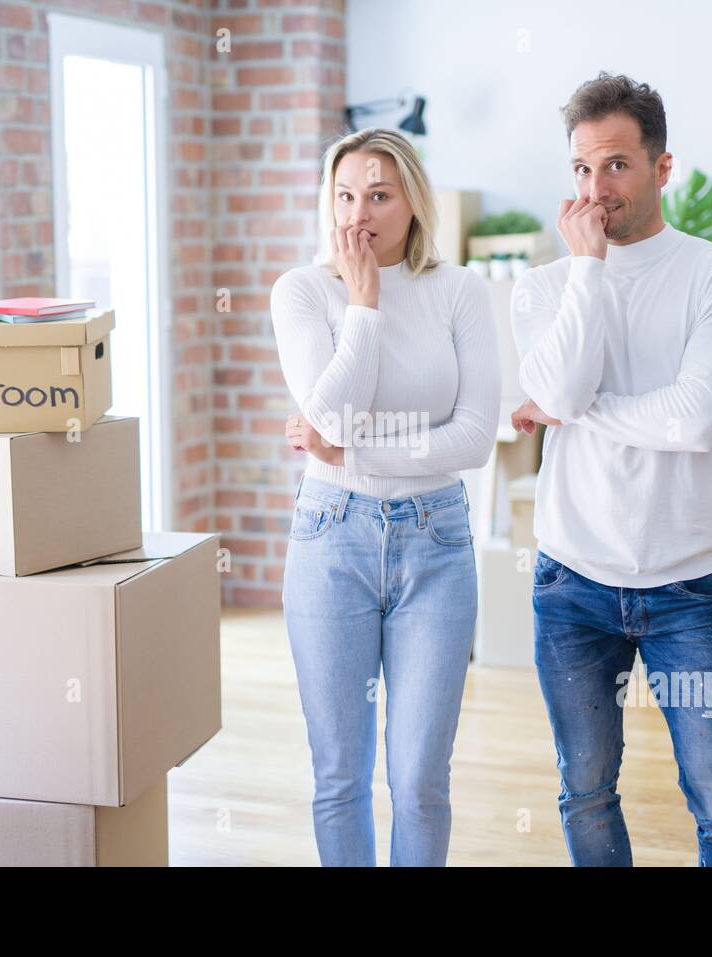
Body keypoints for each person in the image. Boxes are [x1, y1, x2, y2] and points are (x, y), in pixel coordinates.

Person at [511, 72, 712, 866]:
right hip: (573, 583)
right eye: (582, 169)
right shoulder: (546, 286)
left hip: (688, 585)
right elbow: (552, 388)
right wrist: (587, 270)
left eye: (616, 165)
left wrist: (580, 413)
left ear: (662, 168)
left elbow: (693, 421)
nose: (597, 188)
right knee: (585, 792)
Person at [270, 127, 501, 866]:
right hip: (330, 536)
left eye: (378, 195)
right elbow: (327, 416)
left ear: (412, 203)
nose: (357, 215)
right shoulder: (304, 290)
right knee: (339, 776)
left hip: (436, 540)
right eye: (344, 195)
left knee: (420, 779)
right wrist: (363, 306)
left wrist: (354, 450)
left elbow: (472, 437)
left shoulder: (459, 290)